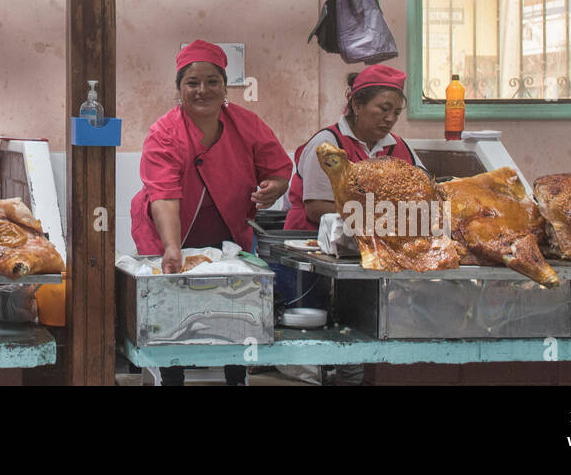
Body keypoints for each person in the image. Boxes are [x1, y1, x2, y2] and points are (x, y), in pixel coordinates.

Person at [130, 40, 291, 386]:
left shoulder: (247, 125)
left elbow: (278, 169)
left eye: (212, 81)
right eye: (192, 83)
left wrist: (274, 188)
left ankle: (237, 376)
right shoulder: (165, 133)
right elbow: (163, 194)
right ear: (179, 88)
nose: (203, 90)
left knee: (234, 307)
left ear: (225, 86)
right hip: (170, 229)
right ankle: (172, 377)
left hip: (227, 234)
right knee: (174, 308)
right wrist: (172, 247)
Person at [284, 64, 425, 231]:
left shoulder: (400, 148)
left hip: (371, 244)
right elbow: (316, 208)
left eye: (396, 113)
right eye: (384, 109)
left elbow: (424, 192)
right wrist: (379, 219)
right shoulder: (328, 143)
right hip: (311, 241)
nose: (390, 119)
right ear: (357, 105)